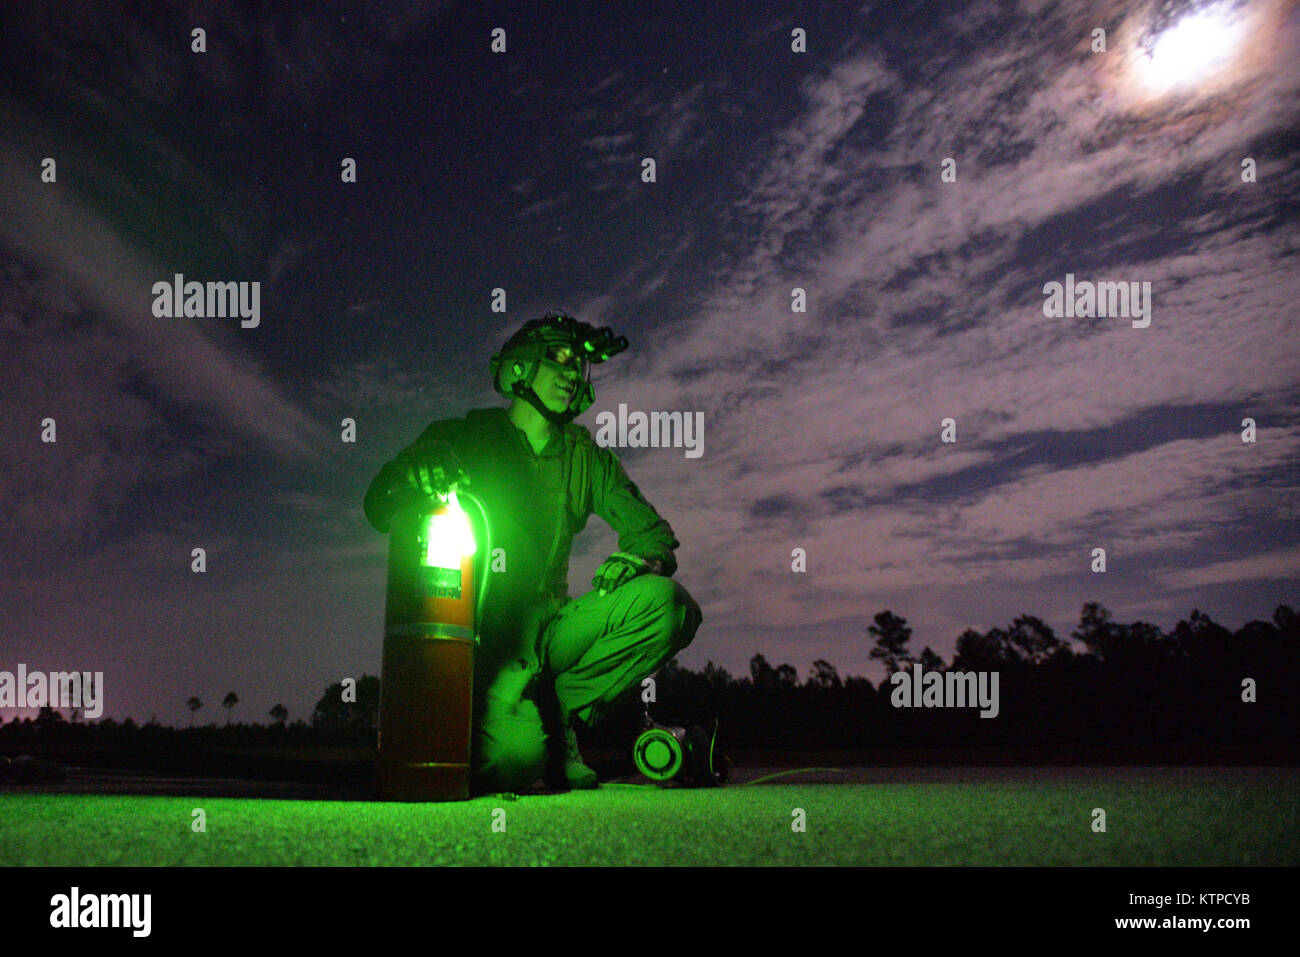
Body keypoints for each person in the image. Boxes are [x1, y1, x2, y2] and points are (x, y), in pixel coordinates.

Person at [363, 311, 702, 793]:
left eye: (578, 366)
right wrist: (416, 468)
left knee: (670, 606)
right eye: (558, 359)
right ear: (520, 367)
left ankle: (559, 711)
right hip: (493, 634)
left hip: (556, 624)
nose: (572, 375)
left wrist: (639, 561)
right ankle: (514, 722)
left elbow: (653, 535)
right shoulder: (464, 436)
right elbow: (378, 507)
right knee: (511, 762)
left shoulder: (586, 457)